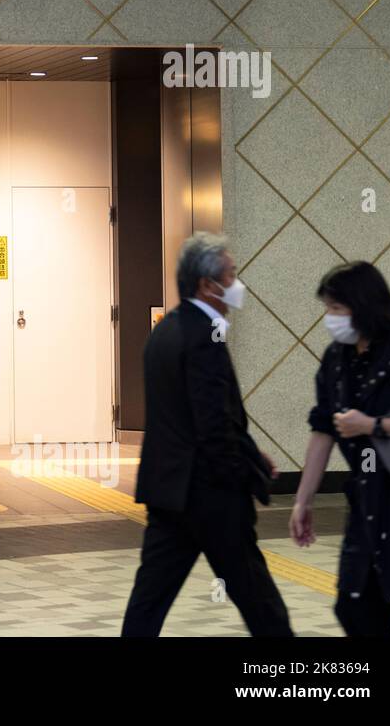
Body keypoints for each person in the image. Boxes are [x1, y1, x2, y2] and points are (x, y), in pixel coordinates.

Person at [121, 232, 292, 637]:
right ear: (206, 284)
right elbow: (212, 422)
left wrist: (251, 452)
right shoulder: (205, 336)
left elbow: (185, 414)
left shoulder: (165, 332)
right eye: (231, 276)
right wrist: (238, 475)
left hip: (168, 492)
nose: (236, 285)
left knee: (148, 602)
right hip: (210, 496)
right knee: (259, 599)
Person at [291, 261, 390, 636]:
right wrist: (303, 499)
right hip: (367, 505)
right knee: (355, 612)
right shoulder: (337, 359)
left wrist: (373, 426)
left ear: (363, 306)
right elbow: (322, 429)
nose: (330, 319)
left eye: (336, 310)